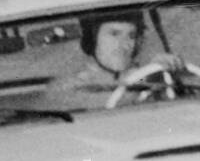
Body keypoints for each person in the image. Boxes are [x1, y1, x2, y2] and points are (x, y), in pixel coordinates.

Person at [49, 12, 180, 99]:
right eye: (114, 34)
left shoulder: (145, 76)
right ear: (92, 39)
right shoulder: (67, 87)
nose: (124, 45)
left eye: (131, 36)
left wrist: (158, 77)